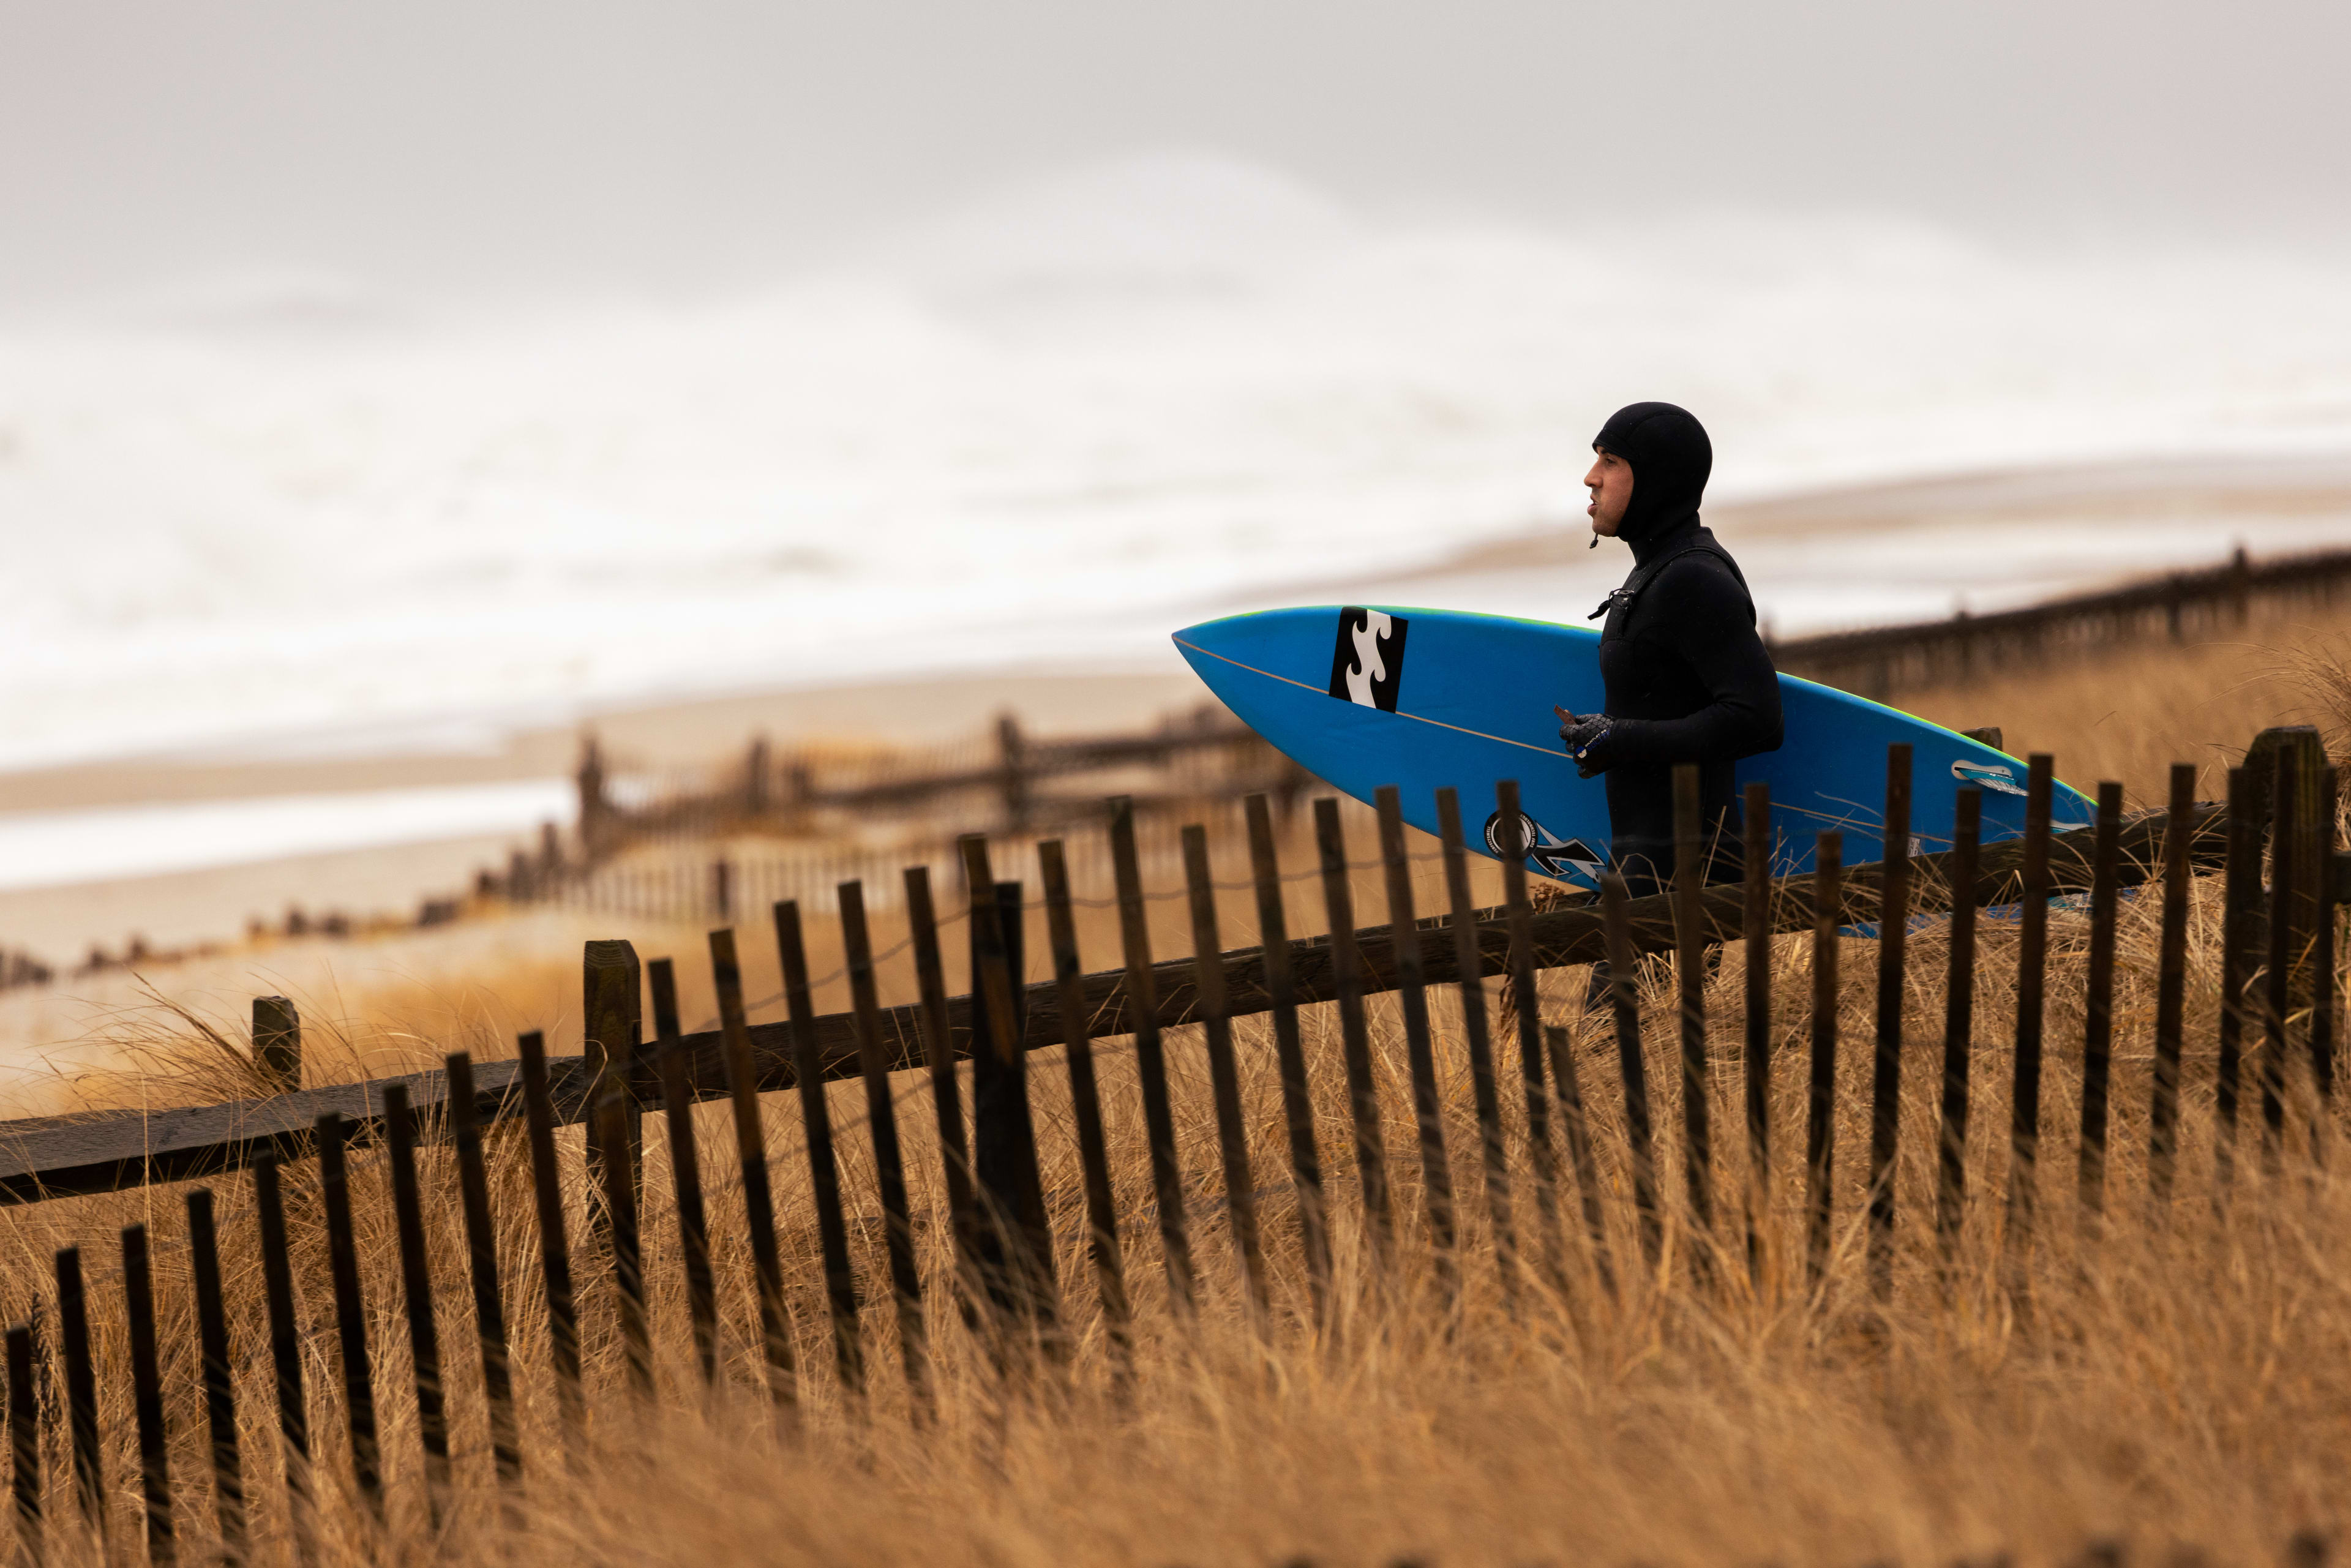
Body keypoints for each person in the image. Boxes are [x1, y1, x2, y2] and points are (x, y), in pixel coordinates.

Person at [1554, 401, 1783, 896]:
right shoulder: (1657, 572)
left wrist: (1622, 738)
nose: (1591, 477)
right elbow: (1668, 702)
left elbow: (1758, 717)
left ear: (1656, 478)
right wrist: (1611, 736)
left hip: (1687, 875)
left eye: (1611, 461)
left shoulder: (1695, 578)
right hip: (1649, 871)